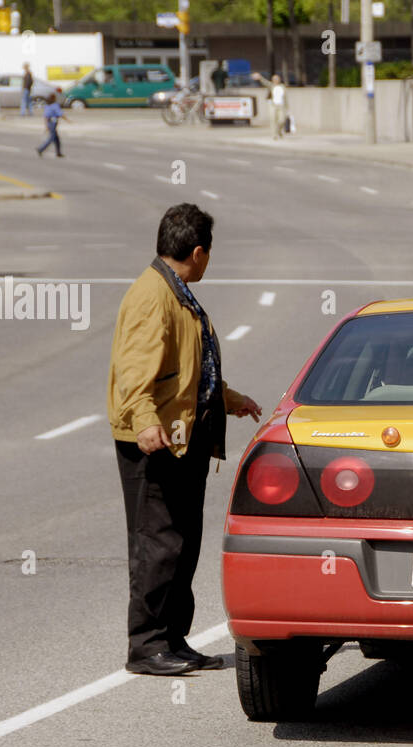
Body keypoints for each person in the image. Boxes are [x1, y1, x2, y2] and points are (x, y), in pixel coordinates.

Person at [109, 204, 263, 676]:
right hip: (156, 441)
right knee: (159, 543)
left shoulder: (176, 292)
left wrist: (228, 399)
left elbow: (188, 373)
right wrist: (145, 421)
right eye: (208, 253)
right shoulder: (152, 296)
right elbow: (136, 371)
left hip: (182, 436)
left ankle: (174, 639)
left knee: (183, 542)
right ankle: (148, 645)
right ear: (197, 252)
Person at [36, 92, 66, 157]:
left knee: (57, 139)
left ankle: (58, 152)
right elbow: (60, 114)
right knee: (52, 138)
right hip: (53, 122)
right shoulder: (55, 105)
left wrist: (46, 126)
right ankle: (41, 149)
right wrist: (68, 120)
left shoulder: (47, 105)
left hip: (49, 122)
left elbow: (45, 116)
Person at [270, 74, 287, 139]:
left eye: (277, 79)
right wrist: (260, 78)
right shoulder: (271, 86)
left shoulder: (282, 87)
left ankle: (279, 131)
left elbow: (286, 98)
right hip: (273, 105)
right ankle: (274, 134)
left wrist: (287, 107)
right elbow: (265, 82)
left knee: (282, 120)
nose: (276, 80)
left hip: (281, 105)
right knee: (273, 120)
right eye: (274, 79)